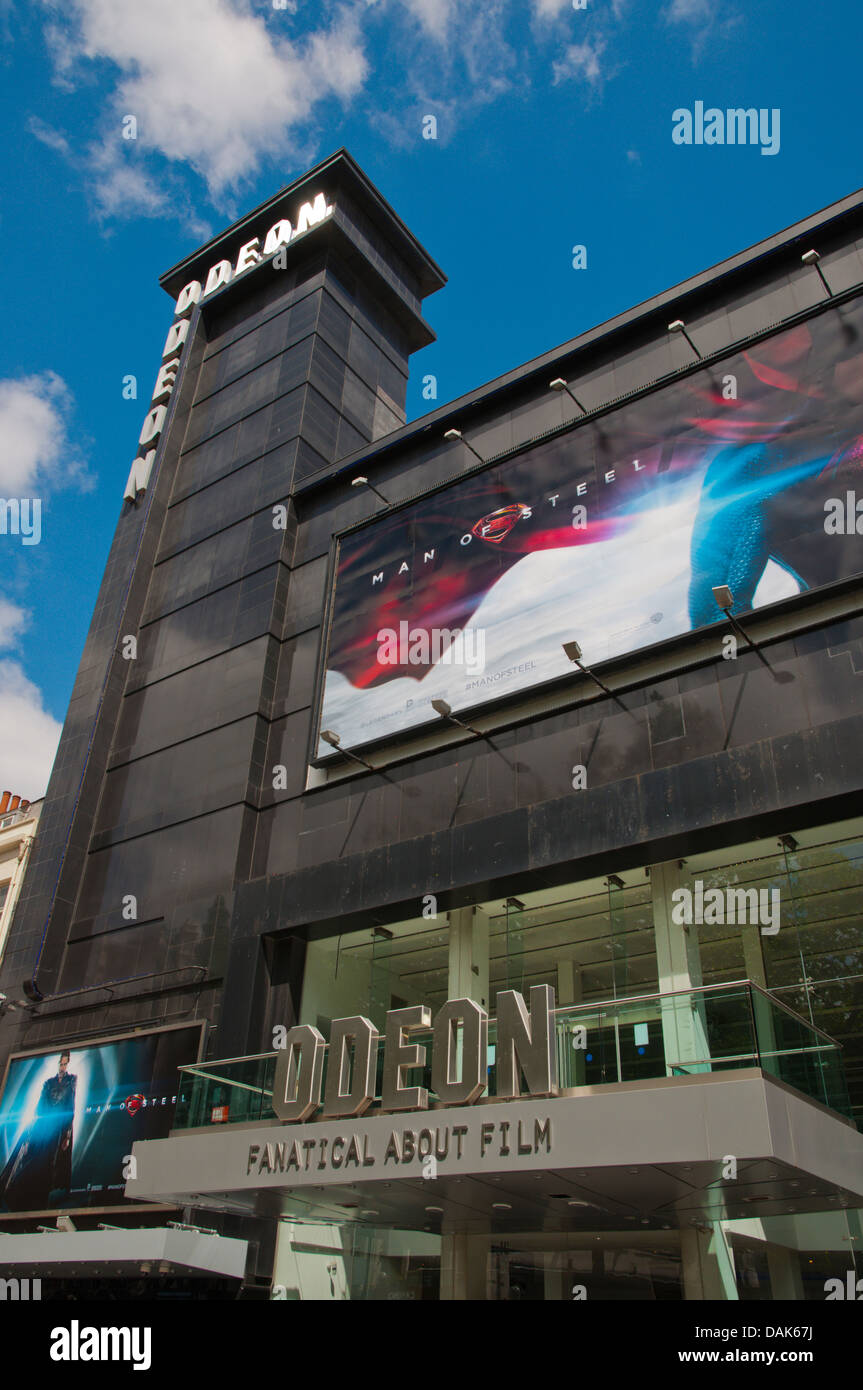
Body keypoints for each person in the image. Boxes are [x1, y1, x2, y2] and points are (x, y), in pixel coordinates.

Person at [0, 1052, 77, 1210]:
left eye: (65, 1064)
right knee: (31, 1159)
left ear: (68, 1064)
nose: (62, 1067)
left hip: (58, 1128)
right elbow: (39, 1107)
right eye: (61, 1064)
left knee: (50, 1164)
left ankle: (40, 1197)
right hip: (43, 1126)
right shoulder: (48, 1082)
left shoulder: (71, 1081)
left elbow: (70, 1107)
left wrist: (67, 1134)